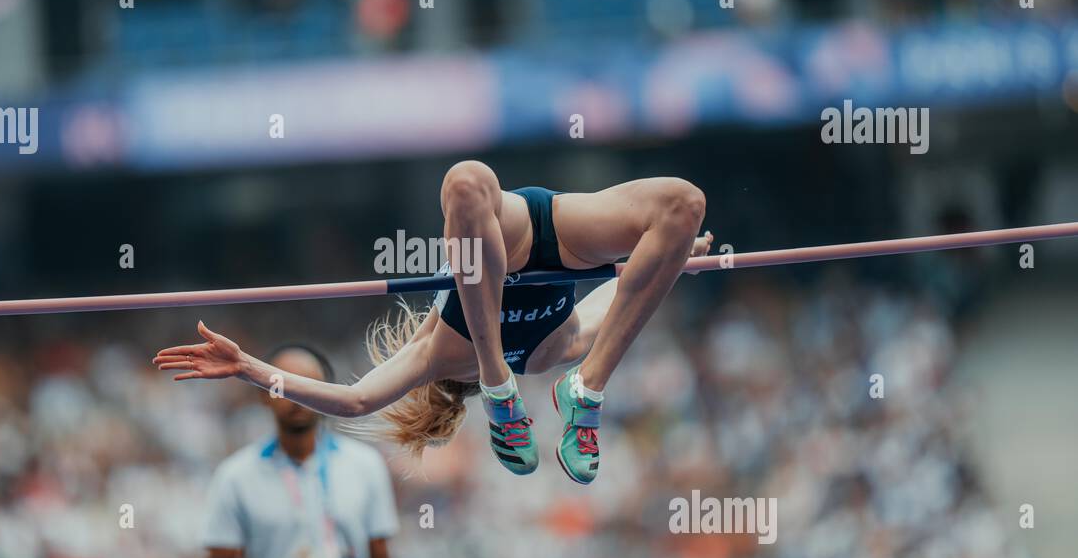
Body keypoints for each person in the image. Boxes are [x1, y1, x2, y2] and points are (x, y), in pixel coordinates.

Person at [156, 161, 710, 485]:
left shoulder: (442, 352)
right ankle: (564, 391)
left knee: (467, 182)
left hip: (516, 232)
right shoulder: (545, 350)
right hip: (559, 243)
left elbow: (353, 401)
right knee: (681, 207)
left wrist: (248, 367)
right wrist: (670, 259)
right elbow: (619, 298)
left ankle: (577, 390)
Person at [202, 343, 419, 558]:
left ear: (328, 394)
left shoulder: (364, 466)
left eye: (307, 383)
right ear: (263, 396)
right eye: (281, 384)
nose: (295, 394)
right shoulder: (236, 476)